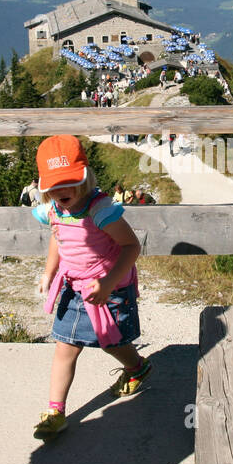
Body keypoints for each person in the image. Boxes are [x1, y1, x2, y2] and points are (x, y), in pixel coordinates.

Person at [31, 135, 150, 439]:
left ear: (83, 177)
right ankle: (55, 411)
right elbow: (58, 238)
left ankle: (137, 367)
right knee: (65, 346)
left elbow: (131, 246)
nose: (60, 191)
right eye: (53, 185)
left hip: (107, 290)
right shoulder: (55, 211)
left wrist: (109, 283)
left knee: (112, 341)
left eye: (67, 181)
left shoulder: (101, 211)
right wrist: (49, 273)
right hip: (74, 288)